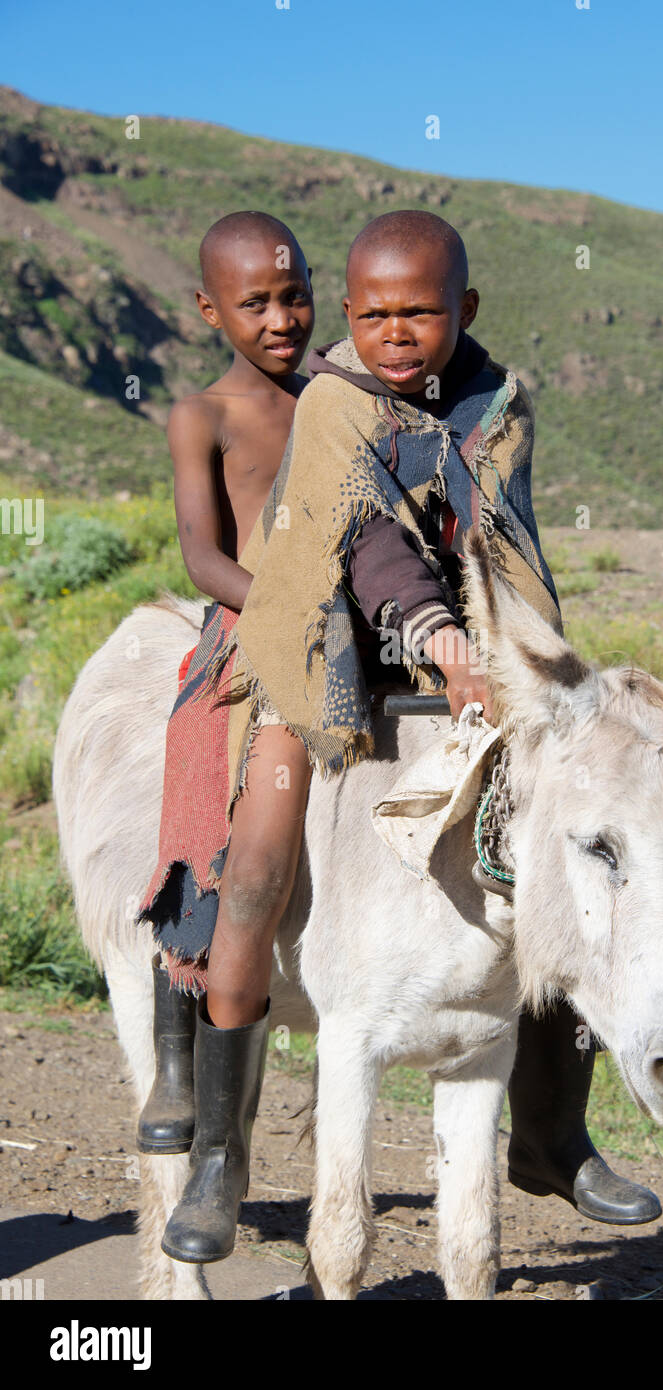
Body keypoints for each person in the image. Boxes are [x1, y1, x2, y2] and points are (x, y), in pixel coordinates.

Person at [155, 209, 660, 1266]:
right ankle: (219, 1149)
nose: (395, 333)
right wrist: (424, 629)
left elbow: (497, 535)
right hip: (321, 647)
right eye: (373, 314)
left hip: (470, 647)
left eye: (419, 312)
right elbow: (364, 537)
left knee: (561, 856)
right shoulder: (332, 405)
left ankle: (555, 1130)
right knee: (256, 849)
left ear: (464, 311)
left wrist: (503, 648)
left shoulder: (495, 404)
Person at [135, 209, 315, 1196]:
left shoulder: (339, 392)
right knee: (198, 784)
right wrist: (290, 605)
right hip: (248, 630)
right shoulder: (201, 415)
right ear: (212, 310)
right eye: (256, 302)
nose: (282, 317)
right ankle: (182, 1068)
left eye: (295, 295)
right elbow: (203, 556)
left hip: (352, 627)